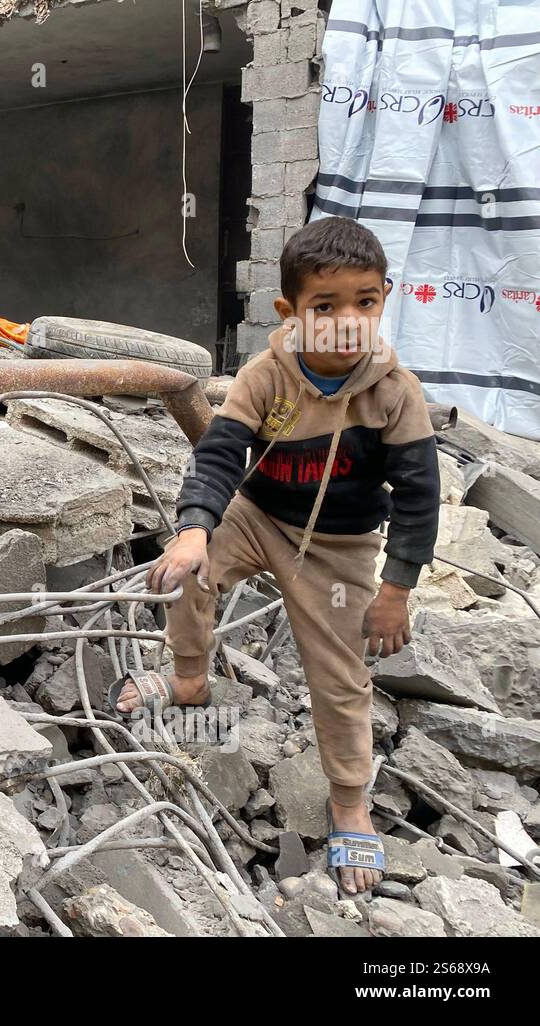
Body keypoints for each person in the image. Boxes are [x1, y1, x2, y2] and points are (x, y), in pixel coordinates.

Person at [116, 216, 440, 895]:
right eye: (326, 307)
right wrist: (195, 527)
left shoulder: (394, 394)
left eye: (366, 302)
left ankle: (350, 802)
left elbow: (418, 495)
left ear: (385, 296)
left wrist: (397, 589)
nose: (348, 321)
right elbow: (219, 451)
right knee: (185, 575)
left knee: (340, 674)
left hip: (341, 549)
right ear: (290, 312)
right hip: (259, 516)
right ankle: (189, 680)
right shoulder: (268, 376)